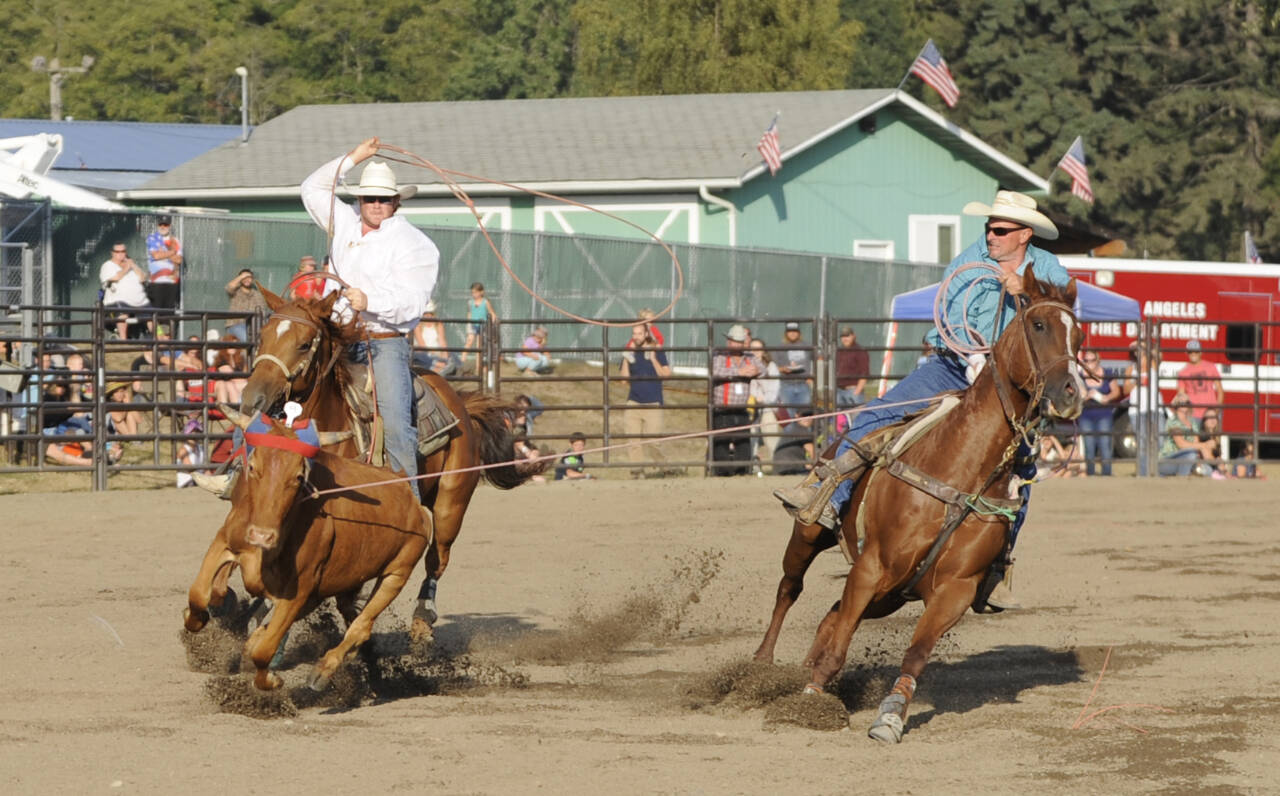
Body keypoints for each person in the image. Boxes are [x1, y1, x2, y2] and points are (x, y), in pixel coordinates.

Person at [775, 190, 1070, 573]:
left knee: (1022, 469)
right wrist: (972, 355)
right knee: (878, 413)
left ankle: (998, 562)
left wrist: (1024, 293)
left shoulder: (1049, 272)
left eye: (999, 229)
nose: (990, 236)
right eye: (988, 228)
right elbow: (949, 317)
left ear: (1024, 234)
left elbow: (1058, 319)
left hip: (1011, 385)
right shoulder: (969, 261)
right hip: (952, 364)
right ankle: (827, 495)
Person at [198, 137, 447, 499]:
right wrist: (354, 158)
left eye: (382, 198)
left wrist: (369, 299)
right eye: (368, 198)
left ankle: (406, 499)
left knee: (394, 421)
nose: (375, 205)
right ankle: (238, 471)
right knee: (266, 390)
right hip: (336, 337)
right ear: (360, 200)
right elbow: (311, 187)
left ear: (396, 201)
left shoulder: (416, 244)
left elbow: (413, 301)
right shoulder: (345, 223)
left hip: (383, 342)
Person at [619, 321, 671, 477]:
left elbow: (666, 375)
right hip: (633, 401)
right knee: (633, 441)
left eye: (639, 333)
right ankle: (637, 470)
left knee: (654, 441)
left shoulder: (657, 351)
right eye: (633, 334)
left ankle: (664, 468)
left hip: (653, 401)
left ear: (646, 334)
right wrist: (626, 359)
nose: (636, 337)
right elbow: (623, 380)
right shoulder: (631, 352)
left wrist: (654, 359)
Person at [710, 324, 760, 476]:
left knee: (743, 441)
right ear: (728, 341)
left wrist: (756, 371)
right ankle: (723, 472)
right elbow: (715, 371)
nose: (734, 344)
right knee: (721, 441)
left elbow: (762, 368)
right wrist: (739, 372)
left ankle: (741, 471)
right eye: (732, 341)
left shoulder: (750, 357)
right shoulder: (719, 356)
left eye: (738, 341)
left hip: (741, 407)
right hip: (722, 407)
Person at [1077, 348, 1121, 476]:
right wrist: (1085, 396)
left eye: (1092, 360)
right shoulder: (1080, 376)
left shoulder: (1107, 373)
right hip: (1086, 416)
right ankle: (1091, 474)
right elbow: (1073, 393)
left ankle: (1106, 473)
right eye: (1086, 360)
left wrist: (1106, 398)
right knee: (1089, 447)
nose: (1089, 362)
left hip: (1104, 415)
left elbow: (1116, 391)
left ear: (1098, 360)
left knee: (1104, 446)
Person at [1124, 341, 1161, 477]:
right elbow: (1125, 390)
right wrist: (1136, 382)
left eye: (1140, 348)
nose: (1137, 351)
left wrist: (1146, 346)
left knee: (1159, 440)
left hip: (1154, 407)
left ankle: (1156, 470)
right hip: (1137, 409)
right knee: (1142, 442)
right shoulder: (1131, 369)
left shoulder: (1153, 363)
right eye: (1135, 349)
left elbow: (1158, 354)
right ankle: (1143, 472)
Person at [99, 242, 150, 339]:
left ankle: (159, 338)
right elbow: (116, 277)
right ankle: (123, 340)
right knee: (122, 312)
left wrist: (133, 265)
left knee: (151, 315)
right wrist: (127, 267)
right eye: (118, 251)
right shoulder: (107, 266)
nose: (121, 254)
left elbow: (143, 278)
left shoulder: (131, 266)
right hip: (115, 302)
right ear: (112, 253)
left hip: (137, 301)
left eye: (123, 251)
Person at [747, 339, 781, 473]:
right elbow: (749, 388)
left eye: (758, 349)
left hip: (767, 408)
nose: (755, 352)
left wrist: (763, 399)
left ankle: (776, 466)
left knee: (771, 436)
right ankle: (754, 467)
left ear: (763, 351)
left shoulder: (771, 367)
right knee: (751, 438)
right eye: (752, 349)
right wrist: (754, 398)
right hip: (751, 408)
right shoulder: (747, 365)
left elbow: (774, 390)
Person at [1159, 393, 1209, 477]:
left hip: (1187, 458)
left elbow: (1197, 443)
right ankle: (1183, 479)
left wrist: (1200, 450)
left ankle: (1187, 473)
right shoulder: (1173, 421)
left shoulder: (1192, 422)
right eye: (1181, 402)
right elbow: (1181, 444)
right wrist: (1203, 445)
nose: (1185, 404)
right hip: (1168, 459)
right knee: (1191, 455)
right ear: (1176, 405)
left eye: (1187, 402)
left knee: (1208, 470)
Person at [145, 215, 183, 318]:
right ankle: (157, 334)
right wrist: (172, 252)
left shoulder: (175, 240)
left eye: (165, 224)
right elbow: (156, 255)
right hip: (156, 281)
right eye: (160, 224)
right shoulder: (152, 238)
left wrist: (165, 254)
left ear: (169, 226)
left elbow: (179, 260)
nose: (162, 226)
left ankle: (167, 334)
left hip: (172, 281)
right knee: (155, 313)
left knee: (169, 313)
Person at [1176, 340, 1223, 421]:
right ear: (1186, 353)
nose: (1193, 354)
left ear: (1201, 352)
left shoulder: (1211, 367)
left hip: (1211, 413)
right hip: (1193, 416)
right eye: (1191, 352)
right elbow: (1181, 396)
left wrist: (1216, 411)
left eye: (1196, 351)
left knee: (1213, 434)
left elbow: (1220, 390)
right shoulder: (1182, 373)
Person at [411, 301, 460, 377]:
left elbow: (442, 341)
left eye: (430, 313)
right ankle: (442, 367)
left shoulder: (438, 324)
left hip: (436, 352)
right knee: (420, 356)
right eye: (426, 314)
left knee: (451, 355)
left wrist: (445, 355)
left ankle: (442, 366)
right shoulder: (418, 326)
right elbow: (422, 345)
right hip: (424, 353)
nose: (428, 316)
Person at [224, 268, 270, 341]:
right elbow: (229, 287)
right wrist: (242, 276)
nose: (247, 279)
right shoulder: (235, 292)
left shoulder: (257, 295)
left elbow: (262, 310)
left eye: (249, 278)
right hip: (235, 325)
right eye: (244, 277)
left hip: (254, 326)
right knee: (247, 339)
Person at [776, 322, 812, 411]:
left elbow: (819, 360)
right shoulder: (779, 347)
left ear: (799, 333)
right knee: (789, 414)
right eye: (790, 331)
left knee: (804, 414)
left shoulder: (807, 346)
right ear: (786, 333)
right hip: (786, 385)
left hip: (804, 385)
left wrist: (812, 377)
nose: (792, 333)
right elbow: (773, 367)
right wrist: (783, 369)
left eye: (795, 331)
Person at [463, 282, 497, 369]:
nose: (474, 294)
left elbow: (492, 313)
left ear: (481, 292)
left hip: (482, 326)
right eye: (472, 292)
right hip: (473, 325)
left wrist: (493, 323)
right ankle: (462, 361)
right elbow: (470, 313)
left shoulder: (485, 302)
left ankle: (479, 366)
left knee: (479, 346)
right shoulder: (470, 302)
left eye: (475, 292)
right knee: (469, 341)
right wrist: (468, 323)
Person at [772, 410, 816, 476]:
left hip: (780, 469)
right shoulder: (801, 430)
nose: (807, 418)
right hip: (791, 469)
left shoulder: (791, 427)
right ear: (796, 416)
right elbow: (812, 452)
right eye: (804, 416)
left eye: (810, 415)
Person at [834, 326, 869, 410]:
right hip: (839, 390)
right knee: (841, 419)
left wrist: (857, 391)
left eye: (847, 336)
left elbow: (865, 373)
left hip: (853, 390)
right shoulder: (839, 351)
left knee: (855, 417)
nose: (845, 339)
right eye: (843, 336)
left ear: (853, 336)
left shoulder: (860, 351)